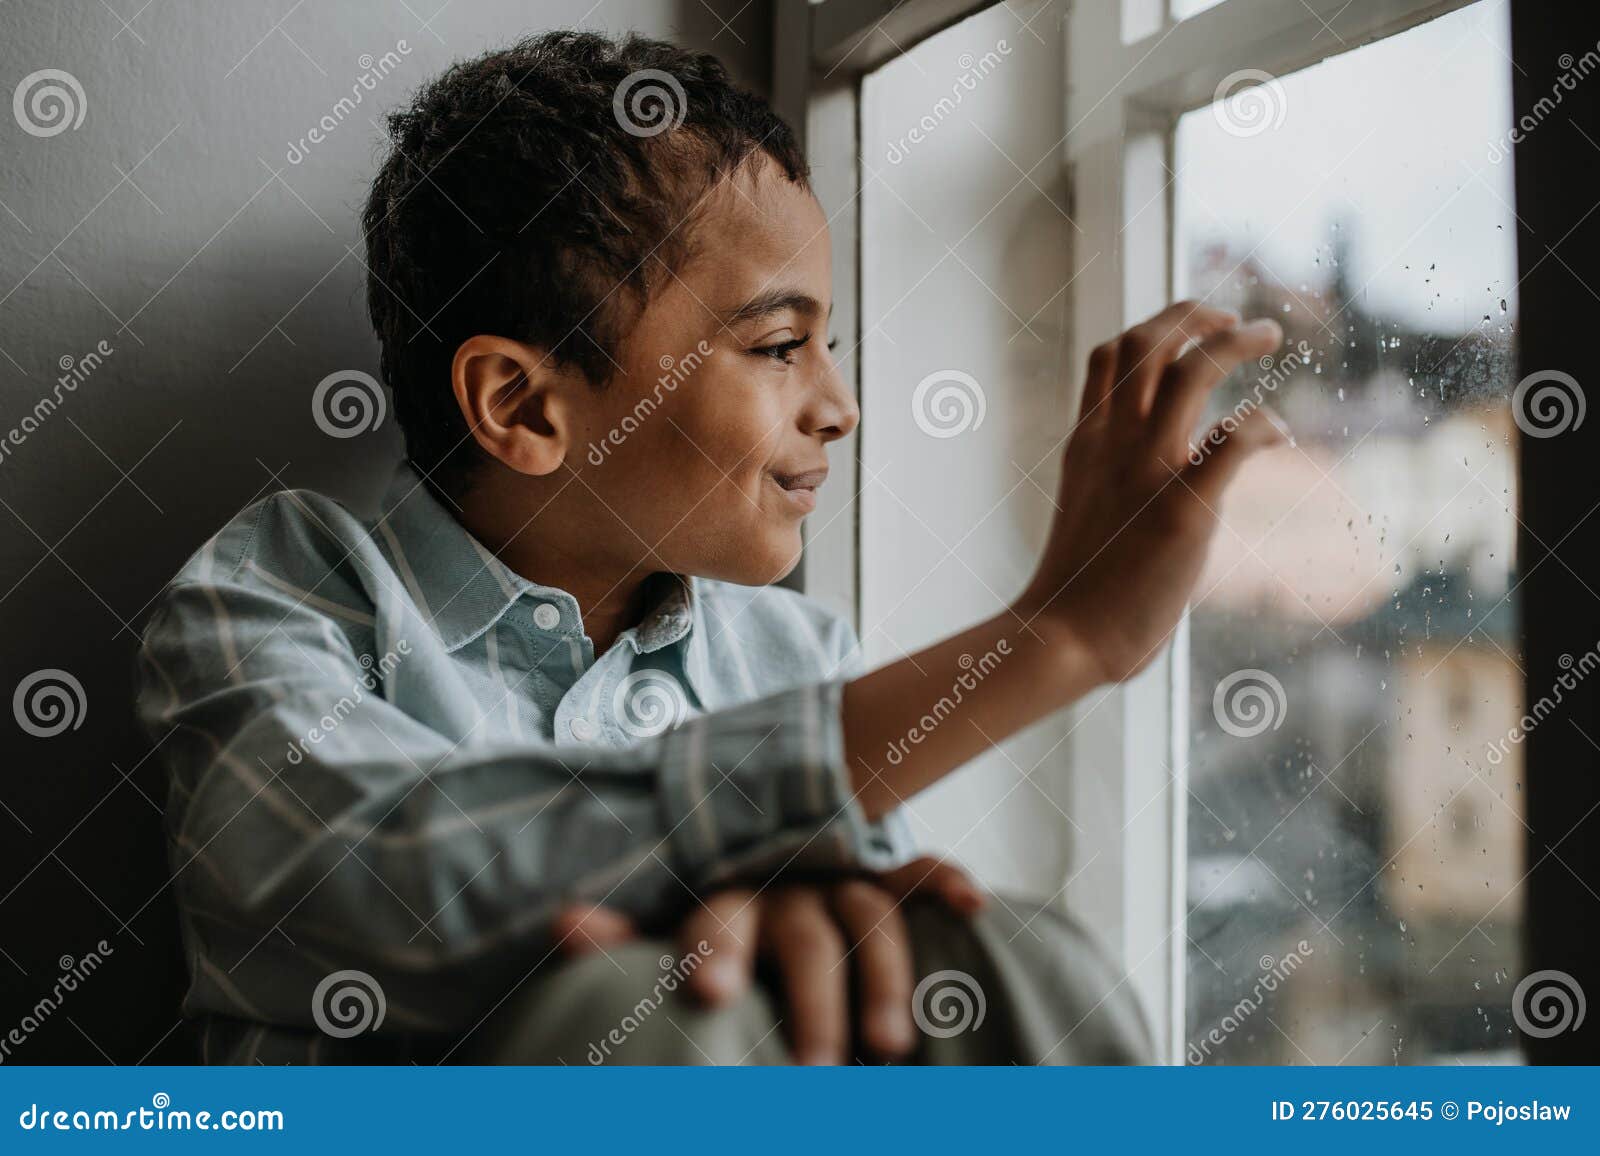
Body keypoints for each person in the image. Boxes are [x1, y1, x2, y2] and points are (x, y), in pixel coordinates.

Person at [135, 30, 1287, 1065]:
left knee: (1029, 965)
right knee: (637, 1010)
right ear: (525, 407)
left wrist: (807, 919)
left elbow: (845, 988)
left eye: (828, 341)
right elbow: (381, 885)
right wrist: (1052, 642)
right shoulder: (278, 597)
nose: (838, 405)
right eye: (780, 345)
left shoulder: (797, 656)